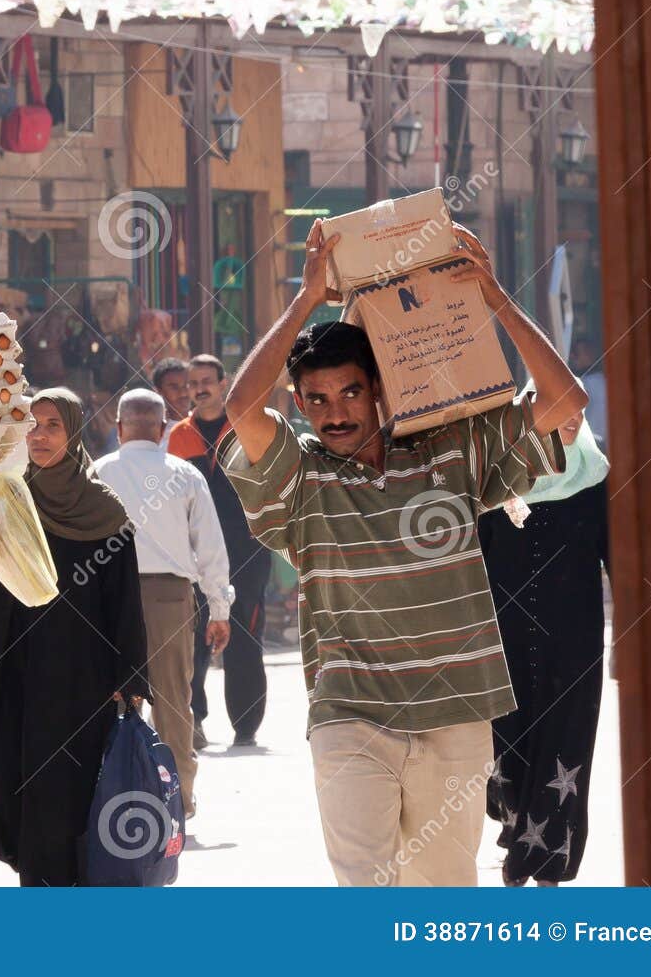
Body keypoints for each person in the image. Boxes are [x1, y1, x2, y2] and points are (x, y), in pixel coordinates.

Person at [220, 220, 583, 886]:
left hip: (457, 715)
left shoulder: (453, 452)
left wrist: (494, 297)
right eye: (317, 399)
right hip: (349, 716)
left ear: (380, 388)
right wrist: (305, 299)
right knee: (368, 893)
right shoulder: (300, 477)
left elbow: (565, 402)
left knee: (442, 902)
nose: (335, 413)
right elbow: (241, 406)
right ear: (298, 404)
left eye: (350, 392)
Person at [0, 388, 150, 886]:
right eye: (32, 425)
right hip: (11, 668)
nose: (41, 435)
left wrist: (130, 677)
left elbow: (125, 602)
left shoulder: (102, 509)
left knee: (68, 791)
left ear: (74, 433)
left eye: (53, 425)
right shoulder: (7, 499)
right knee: (8, 779)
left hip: (80, 680)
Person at [480, 407, 609, 886]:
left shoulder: (597, 480)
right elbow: (475, 556)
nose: (566, 426)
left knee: (565, 743)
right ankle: (518, 833)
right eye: (553, 415)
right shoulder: (498, 477)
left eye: (574, 416)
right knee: (508, 742)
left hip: (573, 641)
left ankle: (546, 861)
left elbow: (619, 554)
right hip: (504, 638)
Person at [93, 389, 232, 818]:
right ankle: (180, 798)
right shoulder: (184, 475)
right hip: (170, 598)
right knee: (173, 700)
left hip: (107, 598)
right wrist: (219, 609)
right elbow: (210, 548)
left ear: (119, 428)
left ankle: (114, 794)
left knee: (112, 697)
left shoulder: (97, 473)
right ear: (162, 430)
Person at [169, 353, 274, 747]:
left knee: (245, 630)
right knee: (195, 634)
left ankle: (246, 725)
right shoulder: (178, 436)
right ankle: (194, 719)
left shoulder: (245, 427)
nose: (199, 389)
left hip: (249, 548)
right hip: (195, 551)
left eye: (206, 381)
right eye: (192, 383)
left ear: (223, 383)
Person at [151, 357, 191, 423]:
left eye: (186, 385)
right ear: (158, 391)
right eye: (174, 387)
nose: (183, 393)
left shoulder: (204, 422)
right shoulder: (157, 427)